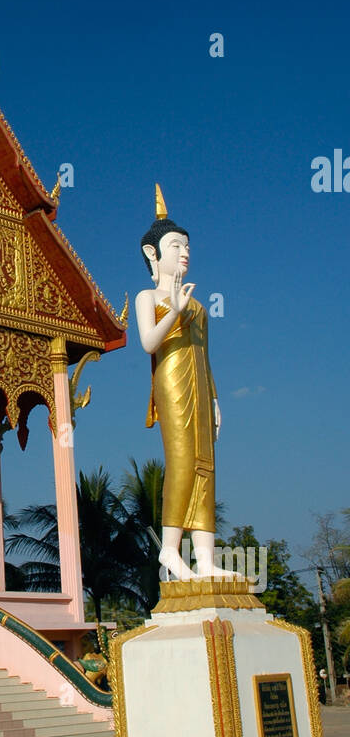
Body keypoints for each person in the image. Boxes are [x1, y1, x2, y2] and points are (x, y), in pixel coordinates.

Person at [134, 185, 236, 582]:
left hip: (198, 381)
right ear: (152, 253)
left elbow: (204, 355)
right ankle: (170, 551)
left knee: (206, 464)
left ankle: (205, 558)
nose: (185, 253)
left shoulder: (197, 304)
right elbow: (147, 343)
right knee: (180, 461)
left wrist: (214, 398)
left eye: (187, 246)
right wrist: (172, 311)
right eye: (176, 246)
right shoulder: (149, 297)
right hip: (171, 382)